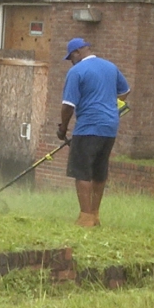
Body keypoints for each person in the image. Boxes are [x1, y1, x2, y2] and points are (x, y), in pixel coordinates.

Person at [56, 38, 130, 228]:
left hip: (88, 127)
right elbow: (125, 91)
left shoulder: (77, 71)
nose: (71, 61)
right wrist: (111, 107)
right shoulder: (110, 67)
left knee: (82, 172)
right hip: (110, 128)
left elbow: (68, 106)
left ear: (77, 52)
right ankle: (95, 214)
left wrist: (63, 128)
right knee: (99, 172)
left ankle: (85, 217)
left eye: (70, 57)